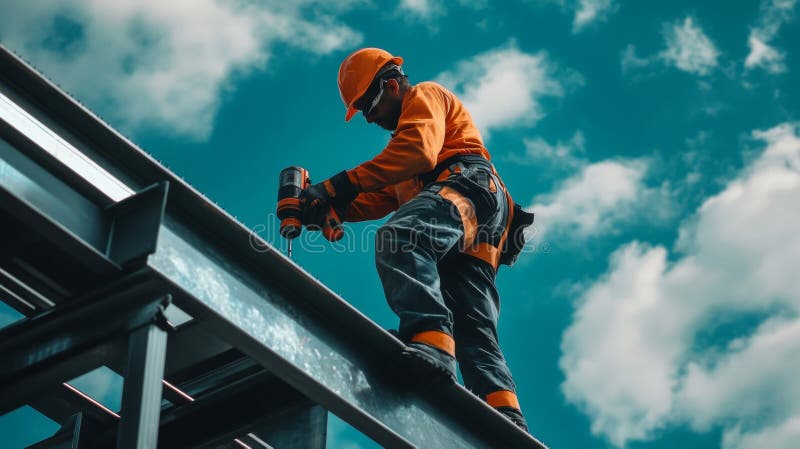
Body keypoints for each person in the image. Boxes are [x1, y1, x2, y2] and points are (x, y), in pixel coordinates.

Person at [299, 48, 534, 432]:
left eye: (368, 107)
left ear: (391, 85)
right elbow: (377, 197)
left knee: (400, 237)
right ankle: (504, 414)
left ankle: (431, 341)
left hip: (467, 186)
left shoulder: (425, 96)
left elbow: (419, 152)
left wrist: (332, 186)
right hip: (477, 217)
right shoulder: (405, 161)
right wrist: (330, 206)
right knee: (472, 322)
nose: (369, 118)